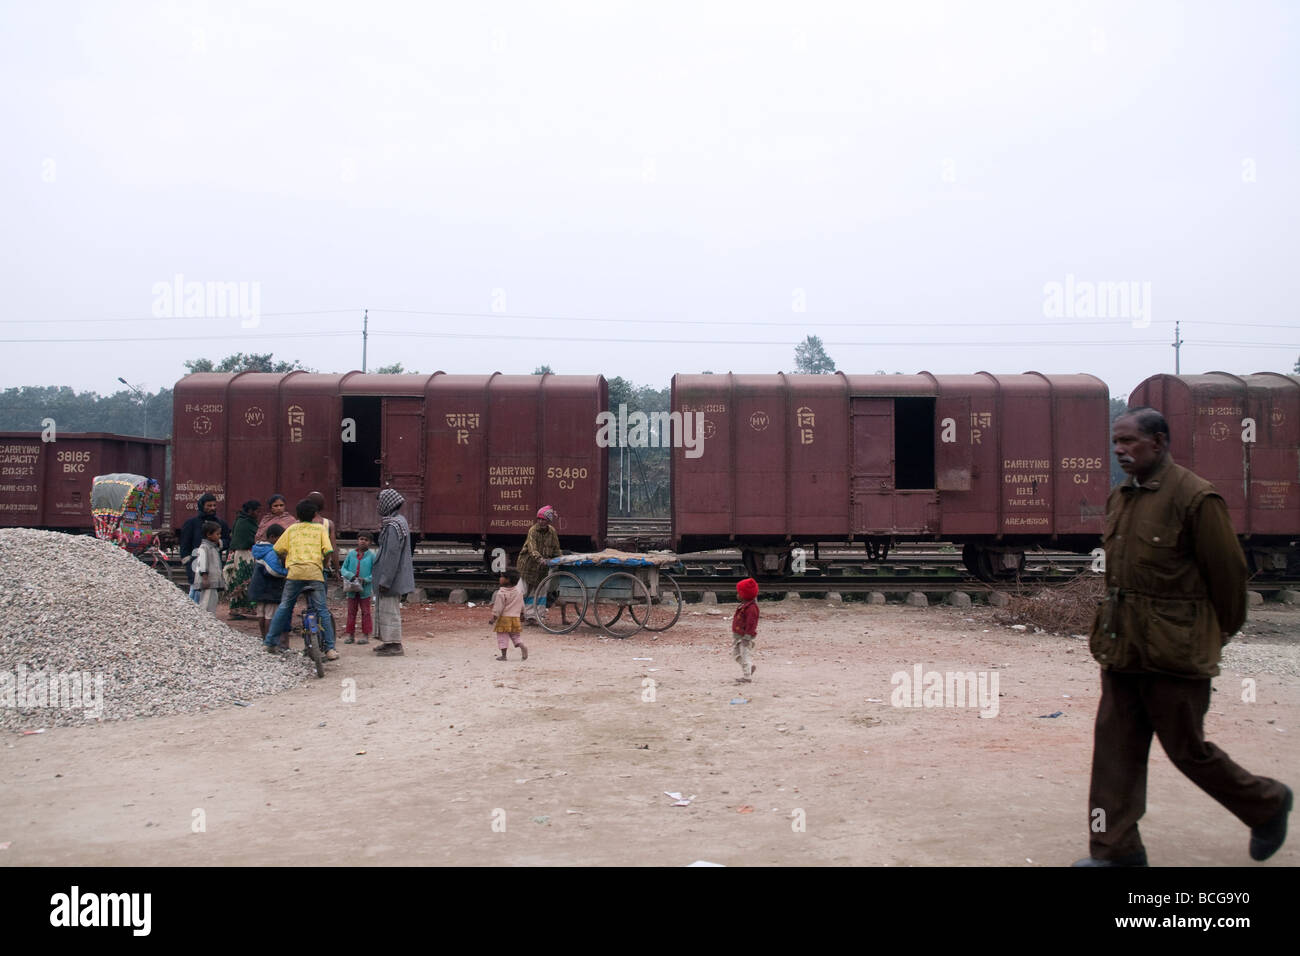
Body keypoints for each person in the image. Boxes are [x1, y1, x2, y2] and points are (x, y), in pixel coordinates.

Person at [1075, 408, 1292, 867]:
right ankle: (1116, 852)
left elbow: (1230, 581)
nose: (1120, 450)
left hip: (1175, 653)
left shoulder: (1196, 498)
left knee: (1189, 751)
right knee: (1115, 751)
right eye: (1116, 441)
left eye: (1130, 441)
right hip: (1122, 647)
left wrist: (1210, 637)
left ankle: (1268, 803)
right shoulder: (1122, 496)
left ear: (1159, 442)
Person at [263, 498, 338, 660]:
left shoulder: (291, 529)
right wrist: (323, 566)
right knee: (322, 610)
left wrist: (287, 559)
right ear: (314, 515)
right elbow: (328, 551)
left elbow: (277, 550)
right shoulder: (319, 529)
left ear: (297, 515)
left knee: (284, 607)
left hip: (295, 573)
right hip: (314, 573)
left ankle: (269, 643)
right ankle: (330, 649)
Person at [372, 488, 414, 656]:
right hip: (390, 576)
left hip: (391, 578)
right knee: (386, 609)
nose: (378, 506)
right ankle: (388, 642)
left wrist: (385, 580)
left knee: (390, 610)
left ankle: (394, 645)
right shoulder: (398, 521)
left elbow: (392, 554)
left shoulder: (393, 526)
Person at [179, 493, 230, 601]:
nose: (212, 508)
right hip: (195, 563)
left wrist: (219, 542)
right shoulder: (191, 523)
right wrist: (188, 562)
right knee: (195, 590)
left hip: (214, 563)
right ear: (202, 506)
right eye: (209, 506)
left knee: (210, 594)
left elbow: (227, 541)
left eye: (214, 505)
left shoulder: (221, 523)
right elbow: (184, 544)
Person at [516, 505, 562, 624]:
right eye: (539, 519)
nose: (541, 522)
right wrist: (540, 558)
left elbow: (556, 548)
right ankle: (514, 613)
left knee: (537, 592)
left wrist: (561, 558)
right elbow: (532, 549)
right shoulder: (533, 530)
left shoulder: (552, 532)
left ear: (548, 521)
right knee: (522, 591)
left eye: (543, 520)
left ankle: (533, 616)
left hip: (541, 569)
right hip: (528, 566)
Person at [249, 524, 288, 643]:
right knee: (270, 616)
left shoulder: (259, 549)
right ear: (272, 537)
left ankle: (263, 637)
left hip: (257, 587)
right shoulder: (271, 551)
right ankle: (269, 640)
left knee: (261, 614)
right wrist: (287, 573)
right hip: (270, 589)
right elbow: (274, 571)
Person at [224, 499, 261, 617]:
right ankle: (237, 609)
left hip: (247, 555)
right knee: (242, 581)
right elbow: (250, 539)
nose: (258, 514)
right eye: (257, 511)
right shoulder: (244, 523)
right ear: (250, 511)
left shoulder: (244, 521)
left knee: (244, 582)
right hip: (243, 556)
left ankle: (244, 608)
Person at [340, 532, 375, 645]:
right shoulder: (351, 555)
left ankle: (365, 635)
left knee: (366, 612)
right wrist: (351, 576)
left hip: (365, 590)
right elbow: (343, 569)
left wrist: (366, 579)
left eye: (366, 539)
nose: (363, 541)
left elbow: (375, 572)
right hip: (351, 589)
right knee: (351, 612)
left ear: (370, 542)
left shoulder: (372, 556)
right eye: (361, 539)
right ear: (357, 540)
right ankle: (350, 635)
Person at [489, 569, 528, 661]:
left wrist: (493, 618)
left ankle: (504, 656)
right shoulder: (518, 592)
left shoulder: (501, 593)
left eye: (502, 577)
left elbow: (498, 608)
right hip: (515, 618)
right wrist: (522, 614)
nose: (500, 578)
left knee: (502, 636)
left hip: (504, 619)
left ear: (508, 579)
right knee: (515, 636)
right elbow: (522, 604)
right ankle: (522, 646)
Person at [191, 521, 226, 614]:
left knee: (212, 602)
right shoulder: (204, 547)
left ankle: (210, 617)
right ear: (209, 535)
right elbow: (202, 563)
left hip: (212, 581)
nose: (219, 536)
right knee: (206, 603)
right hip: (208, 581)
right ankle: (205, 619)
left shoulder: (213, 547)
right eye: (217, 534)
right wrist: (205, 578)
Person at [307, 491, 341, 577]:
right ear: (322, 505)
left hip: (302, 565)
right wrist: (337, 569)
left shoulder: (298, 523)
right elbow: (333, 548)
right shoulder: (328, 523)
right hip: (321, 566)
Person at [732, 577, 759, 681]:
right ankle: (749, 667)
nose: (737, 594)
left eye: (739, 592)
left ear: (744, 595)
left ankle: (747, 676)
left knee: (744, 655)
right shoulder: (745, 605)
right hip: (739, 636)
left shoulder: (751, 608)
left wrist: (747, 637)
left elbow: (751, 624)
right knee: (736, 654)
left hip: (744, 637)